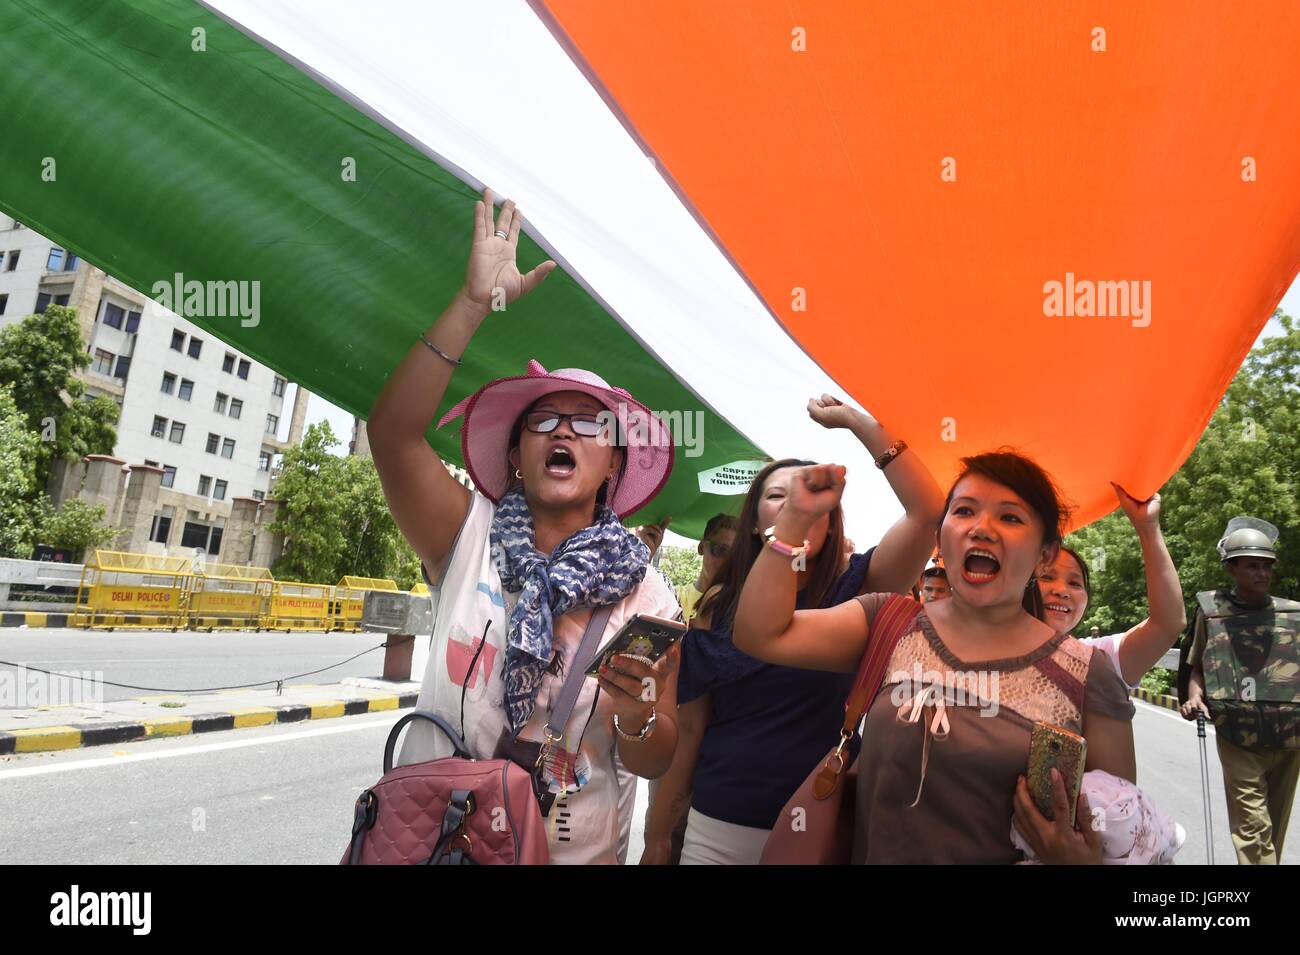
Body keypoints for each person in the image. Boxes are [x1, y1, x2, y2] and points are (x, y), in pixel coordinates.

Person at [368, 189, 680, 864]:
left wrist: (637, 714)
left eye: (588, 422)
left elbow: (655, 756)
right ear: (516, 454)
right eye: (544, 419)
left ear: (611, 467)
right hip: (435, 845)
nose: (564, 429)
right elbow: (393, 435)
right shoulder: (468, 532)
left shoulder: (648, 598)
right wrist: (473, 303)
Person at [734, 450, 1137, 863]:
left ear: (1044, 555)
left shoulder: (1086, 674)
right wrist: (793, 524)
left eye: (1010, 518)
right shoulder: (886, 620)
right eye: (964, 511)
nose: (982, 528)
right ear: (941, 538)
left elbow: (1122, 837)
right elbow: (762, 635)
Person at [641, 396, 945, 864]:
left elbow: (927, 511)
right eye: (777, 497)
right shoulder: (718, 607)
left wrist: (856, 423)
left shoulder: (861, 593)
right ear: (756, 521)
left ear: (831, 518)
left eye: (808, 499)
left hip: (818, 828)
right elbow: (691, 724)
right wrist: (658, 835)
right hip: (714, 824)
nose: (793, 507)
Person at [1178, 517, 1300, 865]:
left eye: (1266, 567)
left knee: (1274, 830)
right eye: (1252, 566)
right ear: (1231, 569)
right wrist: (1194, 695)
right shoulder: (1213, 613)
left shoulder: (1293, 616)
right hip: (1238, 735)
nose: (1262, 574)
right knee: (1252, 829)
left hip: (1289, 736)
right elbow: (1199, 665)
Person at [1038, 483, 1186, 685]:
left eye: (1075, 583)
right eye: (1046, 577)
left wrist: (1148, 527)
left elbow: (1168, 623)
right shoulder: (984, 657)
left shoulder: (1096, 660)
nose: (1062, 591)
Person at [677, 514, 738, 625]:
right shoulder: (675, 598)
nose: (726, 561)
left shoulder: (742, 607)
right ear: (701, 548)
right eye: (720, 550)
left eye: (735, 556)